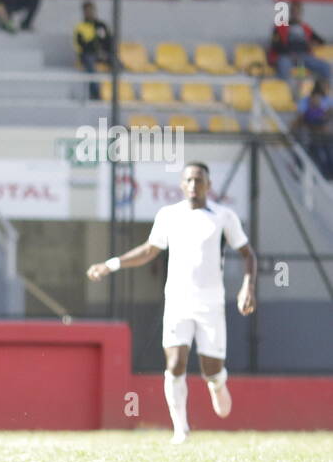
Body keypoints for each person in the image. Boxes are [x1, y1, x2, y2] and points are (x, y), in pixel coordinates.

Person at [86, 162, 257, 445]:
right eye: (189, 180)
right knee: (175, 363)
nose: (193, 185)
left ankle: (217, 381)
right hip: (178, 302)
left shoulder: (223, 216)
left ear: (208, 185)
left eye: (199, 180)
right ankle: (181, 429)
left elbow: (248, 254)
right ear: (181, 184)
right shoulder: (169, 215)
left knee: (210, 369)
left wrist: (247, 287)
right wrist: (110, 264)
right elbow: (149, 250)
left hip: (211, 304)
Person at [269, 0, 330, 89]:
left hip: (304, 56)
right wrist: (289, 53)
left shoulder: (305, 27)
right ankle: (287, 94)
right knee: (283, 66)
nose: (296, 14)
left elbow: (321, 41)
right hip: (287, 56)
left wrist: (313, 44)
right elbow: (275, 45)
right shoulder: (280, 26)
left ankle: (326, 94)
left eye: (298, 12)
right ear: (290, 12)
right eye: (294, 11)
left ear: (301, 13)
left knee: (326, 67)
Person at [75, 0, 113, 100]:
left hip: (103, 54)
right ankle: (96, 94)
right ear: (84, 12)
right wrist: (94, 47)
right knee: (90, 63)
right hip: (87, 55)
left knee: (116, 61)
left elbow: (108, 41)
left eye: (91, 10)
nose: (89, 13)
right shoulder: (80, 27)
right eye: (87, 11)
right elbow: (80, 45)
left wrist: (104, 52)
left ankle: (114, 92)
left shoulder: (101, 25)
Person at [297, 81, 333, 178]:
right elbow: (301, 119)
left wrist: (326, 114)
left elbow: (328, 117)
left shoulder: (329, 101)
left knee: (329, 150)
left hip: (326, 132)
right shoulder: (305, 101)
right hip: (312, 133)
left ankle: (328, 173)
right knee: (317, 152)